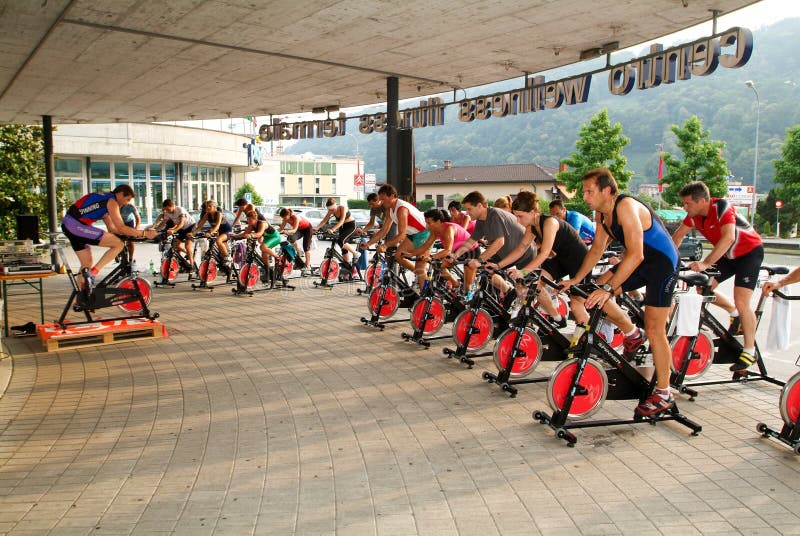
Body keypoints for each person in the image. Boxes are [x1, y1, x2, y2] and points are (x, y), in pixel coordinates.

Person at [559, 168, 679, 417]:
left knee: (655, 329)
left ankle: (664, 392)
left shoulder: (626, 206)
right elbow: (595, 251)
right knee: (589, 292)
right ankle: (633, 333)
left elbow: (636, 254)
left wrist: (609, 289)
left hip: (661, 266)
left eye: (590, 191)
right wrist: (577, 280)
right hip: (639, 262)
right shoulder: (602, 215)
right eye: (584, 191)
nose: (585, 196)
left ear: (607, 190)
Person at [671, 181, 765, 372]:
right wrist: (669, 260)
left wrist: (705, 263)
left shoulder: (722, 206)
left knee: (742, 300)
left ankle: (749, 350)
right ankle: (734, 314)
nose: (685, 208)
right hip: (728, 255)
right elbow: (678, 236)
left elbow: (729, 237)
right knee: (703, 287)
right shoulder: (694, 216)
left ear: (703, 201)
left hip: (749, 253)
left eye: (688, 203)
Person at [494, 190, 589, 328]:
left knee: (576, 304)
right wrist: (498, 265)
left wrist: (524, 271)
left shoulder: (549, 222)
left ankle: (585, 340)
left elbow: (544, 253)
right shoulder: (531, 227)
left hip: (580, 260)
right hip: (562, 259)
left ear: (532, 212)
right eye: (516, 216)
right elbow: (520, 249)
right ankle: (557, 318)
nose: (518, 221)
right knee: (530, 283)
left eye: (520, 216)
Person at [61, 184, 158, 285]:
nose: (126, 203)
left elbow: (112, 229)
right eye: (127, 199)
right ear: (120, 194)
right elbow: (121, 227)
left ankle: (80, 298)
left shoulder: (106, 199)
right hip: (76, 226)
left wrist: (132, 233)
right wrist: (145, 233)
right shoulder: (112, 202)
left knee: (86, 264)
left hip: (69, 225)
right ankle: (93, 273)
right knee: (119, 244)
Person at [451, 191, 534, 295]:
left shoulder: (494, 215)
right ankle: (508, 292)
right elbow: (471, 241)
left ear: (479, 206)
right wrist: (455, 255)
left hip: (525, 254)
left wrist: (480, 260)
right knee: (485, 270)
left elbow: (499, 242)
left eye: (469, 209)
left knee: (523, 290)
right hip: (506, 253)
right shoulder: (481, 220)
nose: (467, 212)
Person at [361, 184, 430, 285]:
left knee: (420, 268)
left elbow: (402, 234)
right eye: (380, 200)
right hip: (413, 235)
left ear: (392, 196)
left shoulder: (401, 209)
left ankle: (425, 295)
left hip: (424, 234)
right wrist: (368, 243)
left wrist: (385, 245)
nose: (381, 202)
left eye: (383, 199)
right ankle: (423, 276)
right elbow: (384, 230)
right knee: (398, 256)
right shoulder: (390, 209)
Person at [409, 209, 479, 288]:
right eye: (426, 222)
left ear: (438, 221)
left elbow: (447, 250)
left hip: (471, 251)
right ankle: (456, 284)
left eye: (429, 223)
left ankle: (468, 291)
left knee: (468, 287)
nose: (427, 226)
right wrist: (411, 254)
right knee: (437, 265)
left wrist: (431, 257)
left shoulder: (449, 228)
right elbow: (426, 245)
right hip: (457, 252)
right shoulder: (435, 230)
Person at [152, 199, 197, 270]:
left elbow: (181, 223)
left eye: (168, 209)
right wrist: (156, 230)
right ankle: (187, 254)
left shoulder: (179, 210)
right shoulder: (167, 212)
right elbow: (163, 222)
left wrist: (174, 230)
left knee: (187, 246)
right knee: (176, 245)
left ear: (172, 206)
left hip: (190, 226)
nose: (167, 211)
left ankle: (192, 265)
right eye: (165, 209)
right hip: (181, 229)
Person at [314, 197, 358, 264]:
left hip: (350, 225)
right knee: (343, 247)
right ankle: (348, 264)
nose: (332, 211)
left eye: (333, 209)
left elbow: (341, 221)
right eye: (330, 210)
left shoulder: (342, 208)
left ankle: (356, 253)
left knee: (340, 240)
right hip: (342, 227)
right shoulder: (330, 211)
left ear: (335, 206)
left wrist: (332, 229)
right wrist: (317, 228)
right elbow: (324, 220)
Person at [192, 200, 233, 266]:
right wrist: (192, 233)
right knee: (213, 245)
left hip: (227, 230)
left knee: (218, 240)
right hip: (218, 231)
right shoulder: (207, 215)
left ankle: (228, 257)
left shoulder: (218, 214)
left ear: (214, 207)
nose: (207, 208)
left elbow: (217, 226)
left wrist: (210, 232)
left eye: (210, 206)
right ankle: (219, 260)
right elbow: (199, 227)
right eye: (207, 206)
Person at [278, 207, 313, 274]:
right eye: (283, 218)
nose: (284, 219)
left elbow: (294, 230)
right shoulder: (285, 219)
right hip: (300, 229)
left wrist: (286, 231)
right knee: (290, 238)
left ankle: (308, 265)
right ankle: (299, 251)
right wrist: (274, 231)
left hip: (307, 229)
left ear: (288, 215)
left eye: (285, 218)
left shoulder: (295, 218)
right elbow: (281, 228)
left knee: (306, 247)